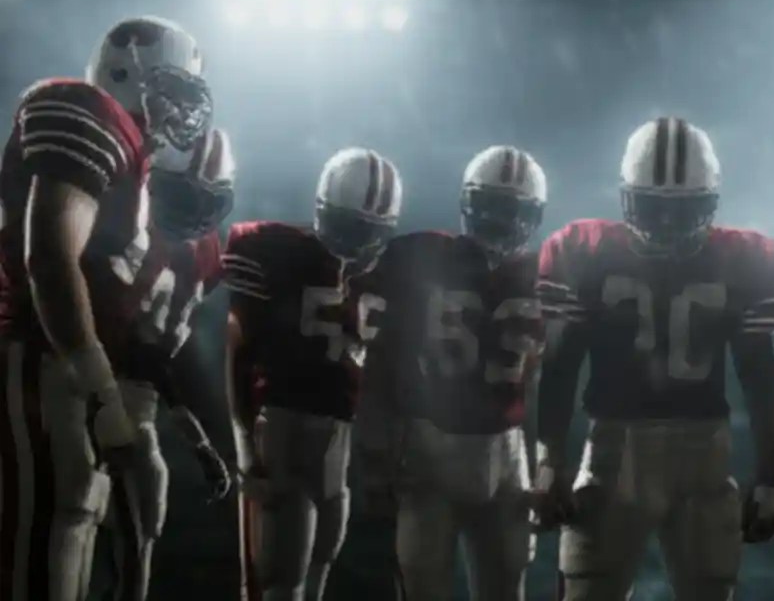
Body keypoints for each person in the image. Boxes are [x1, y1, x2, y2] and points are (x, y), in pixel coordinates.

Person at [534, 117, 774, 601]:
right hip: (626, 449)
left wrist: (550, 462)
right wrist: (769, 478)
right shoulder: (742, 259)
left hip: (679, 450)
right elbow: (560, 364)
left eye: (683, 209)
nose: (668, 223)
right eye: (654, 207)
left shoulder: (587, 251)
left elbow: (758, 374)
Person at [0, 15, 208, 601]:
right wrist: (98, 386)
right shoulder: (90, 111)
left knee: (75, 517)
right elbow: (49, 257)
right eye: (175, 88)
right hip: (42, 351)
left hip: (67, 361)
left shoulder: (132, 153)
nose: (185, 110)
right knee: (51, 528)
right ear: (129, 73)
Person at [354, 145, 546, 601]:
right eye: (489, 206)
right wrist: (375, 453)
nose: (498, 221)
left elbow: (537, 381)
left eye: (510, 210)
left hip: (503, 455)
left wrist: (542, 467)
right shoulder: (418, 257)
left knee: (503, 588)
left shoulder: (418, 253)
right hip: (432, 450)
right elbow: (378, 361)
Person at [223, 148, 401, 601]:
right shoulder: (275, 249)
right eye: (348, 225)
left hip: (338, 448)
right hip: (282, 432)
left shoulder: (385, 276)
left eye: (368, 231)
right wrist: (245, 451)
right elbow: (239, 350)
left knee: (318, 563)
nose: (355, 242)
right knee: (280, 576)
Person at [109, 127, 236, 600]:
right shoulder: (118, 213)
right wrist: (199, 441)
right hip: (79, 377)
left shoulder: (206, 253)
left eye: (204, 200)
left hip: (137, 394)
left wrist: (199, 440)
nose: (191, 211)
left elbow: (159, 353)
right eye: (181, 195)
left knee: (143, 517)